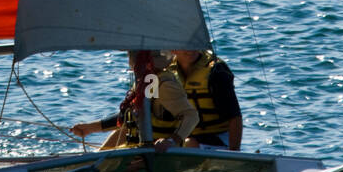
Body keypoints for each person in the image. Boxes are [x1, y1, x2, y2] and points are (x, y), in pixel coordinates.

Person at [70, 50, 199, 152]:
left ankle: (94, 166)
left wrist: (171, 141)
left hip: (157, 151)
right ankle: (97, 158)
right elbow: (128, 118)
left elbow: (192, 116)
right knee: (125, 130)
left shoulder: (164, 85)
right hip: (138, 147)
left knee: (98, 167)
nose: (131, 63)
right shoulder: (148, 81)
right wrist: (89, 128)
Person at [162, 49, 242, 150]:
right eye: (186, 45)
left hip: (220, 138)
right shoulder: (167, 72)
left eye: (194, 43)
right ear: (173, 49)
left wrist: (234, 152)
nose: (191, 49)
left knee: (189, 143)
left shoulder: (216, 71)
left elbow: (235, 116)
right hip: (183, 137)